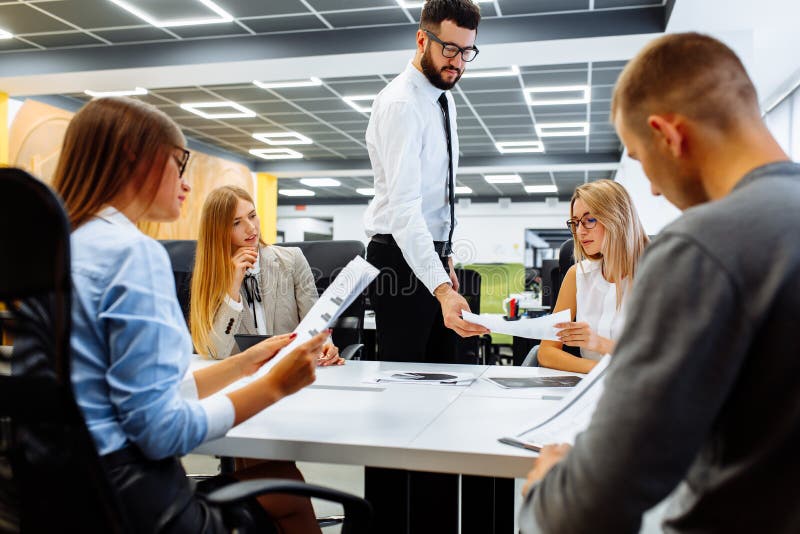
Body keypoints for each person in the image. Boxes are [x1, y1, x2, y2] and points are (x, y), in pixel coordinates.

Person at [519, 32, 800, 533]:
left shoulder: (699, 248)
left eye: (642, 158)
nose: (651, 186)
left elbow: (589, 507)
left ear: (668, 135)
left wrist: (547, 489)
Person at [52, 96, 329, 533]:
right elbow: (161, 431)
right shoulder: (133, 254)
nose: (185, 183)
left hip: (71, 490)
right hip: (136, 501)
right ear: (136, 161)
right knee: (289, 493)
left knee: (281, 482)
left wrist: (245, 363)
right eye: (178, 163)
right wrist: (275, 386)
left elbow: (134, 392)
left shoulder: (68, 245)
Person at [364, 0, 488, 364]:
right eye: (449, 48)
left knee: (443, 374)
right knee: (406, 381)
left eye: (467, 51)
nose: (458, 61)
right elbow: (404, 210)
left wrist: (444, 257)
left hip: (429, 251)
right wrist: (442, 290)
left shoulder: (443, 101)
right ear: (422, 40)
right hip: (397, 256)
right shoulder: (401, 104)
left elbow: (438, 198)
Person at [191, 184, 343, 365]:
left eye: (252, 216)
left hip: (289, 372)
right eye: (236, 223)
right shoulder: (211, 276)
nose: (251, 228)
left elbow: (316, 325)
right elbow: (214, 352)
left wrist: (325, 345)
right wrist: (232, 288)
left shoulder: (292, 260)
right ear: (218, 232)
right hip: (240, 378)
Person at [538, 179, 649, 373]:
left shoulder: (656, 275)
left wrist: (600, 344)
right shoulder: (578, 275)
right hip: (590, 386)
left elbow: (667, 358)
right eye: (575, 223)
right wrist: (599, 371)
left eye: (589, 220)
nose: (580, 232)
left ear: (618, 218)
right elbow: (546, 352)